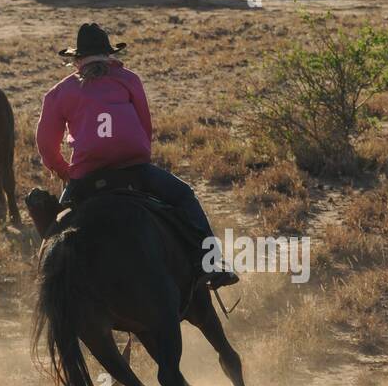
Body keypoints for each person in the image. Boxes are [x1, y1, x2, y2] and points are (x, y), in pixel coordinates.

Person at [34, 23, 237, 288]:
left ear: (77, 61)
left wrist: (64, 171)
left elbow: (46, 144)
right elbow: (145, 126)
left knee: (55, 231)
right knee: (183, 195)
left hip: (86, 175)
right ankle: (212, 263)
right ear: (109, 55)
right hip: (133, 168)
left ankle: (51, 283)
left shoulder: (58, 93)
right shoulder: (129, 79)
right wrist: (137, 155)